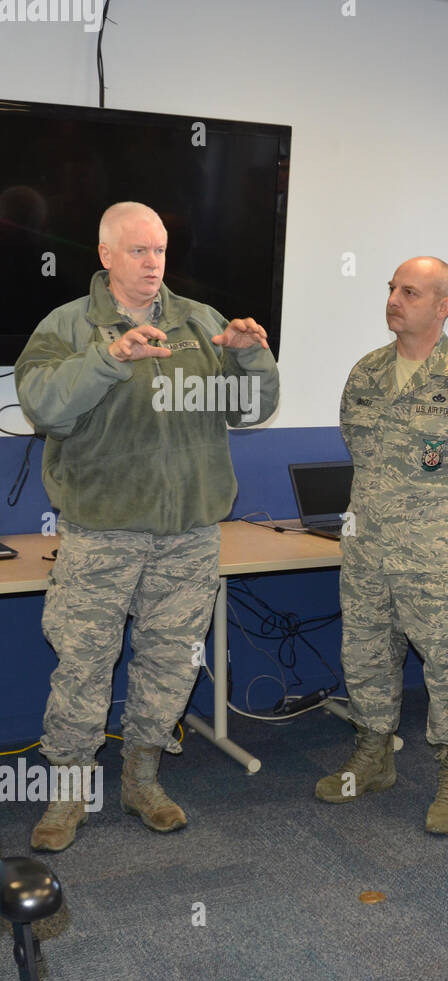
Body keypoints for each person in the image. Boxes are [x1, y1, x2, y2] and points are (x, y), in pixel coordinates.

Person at [16, 201, 280, 851]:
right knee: (82, 669)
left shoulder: (199, 321)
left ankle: (141, 780)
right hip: (101, 534)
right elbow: (43, 405)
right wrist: (110, 357)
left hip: (188, 536)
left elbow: (252, 409)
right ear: (105, 255)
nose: (152, 263)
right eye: (138, 251)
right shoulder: (67, 326)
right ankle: (69, 795)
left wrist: (253, 360)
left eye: (160, 250)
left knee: (168, 667)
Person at [316, 257, 448, 835]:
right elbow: (357, 448)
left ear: (442, 306)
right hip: (367, 552)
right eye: (391, 289)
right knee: (364, 657)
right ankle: (373, 754)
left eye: (409, 292)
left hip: (435, 559)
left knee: (447, 665)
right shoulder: (365, 374)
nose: (393, 299)